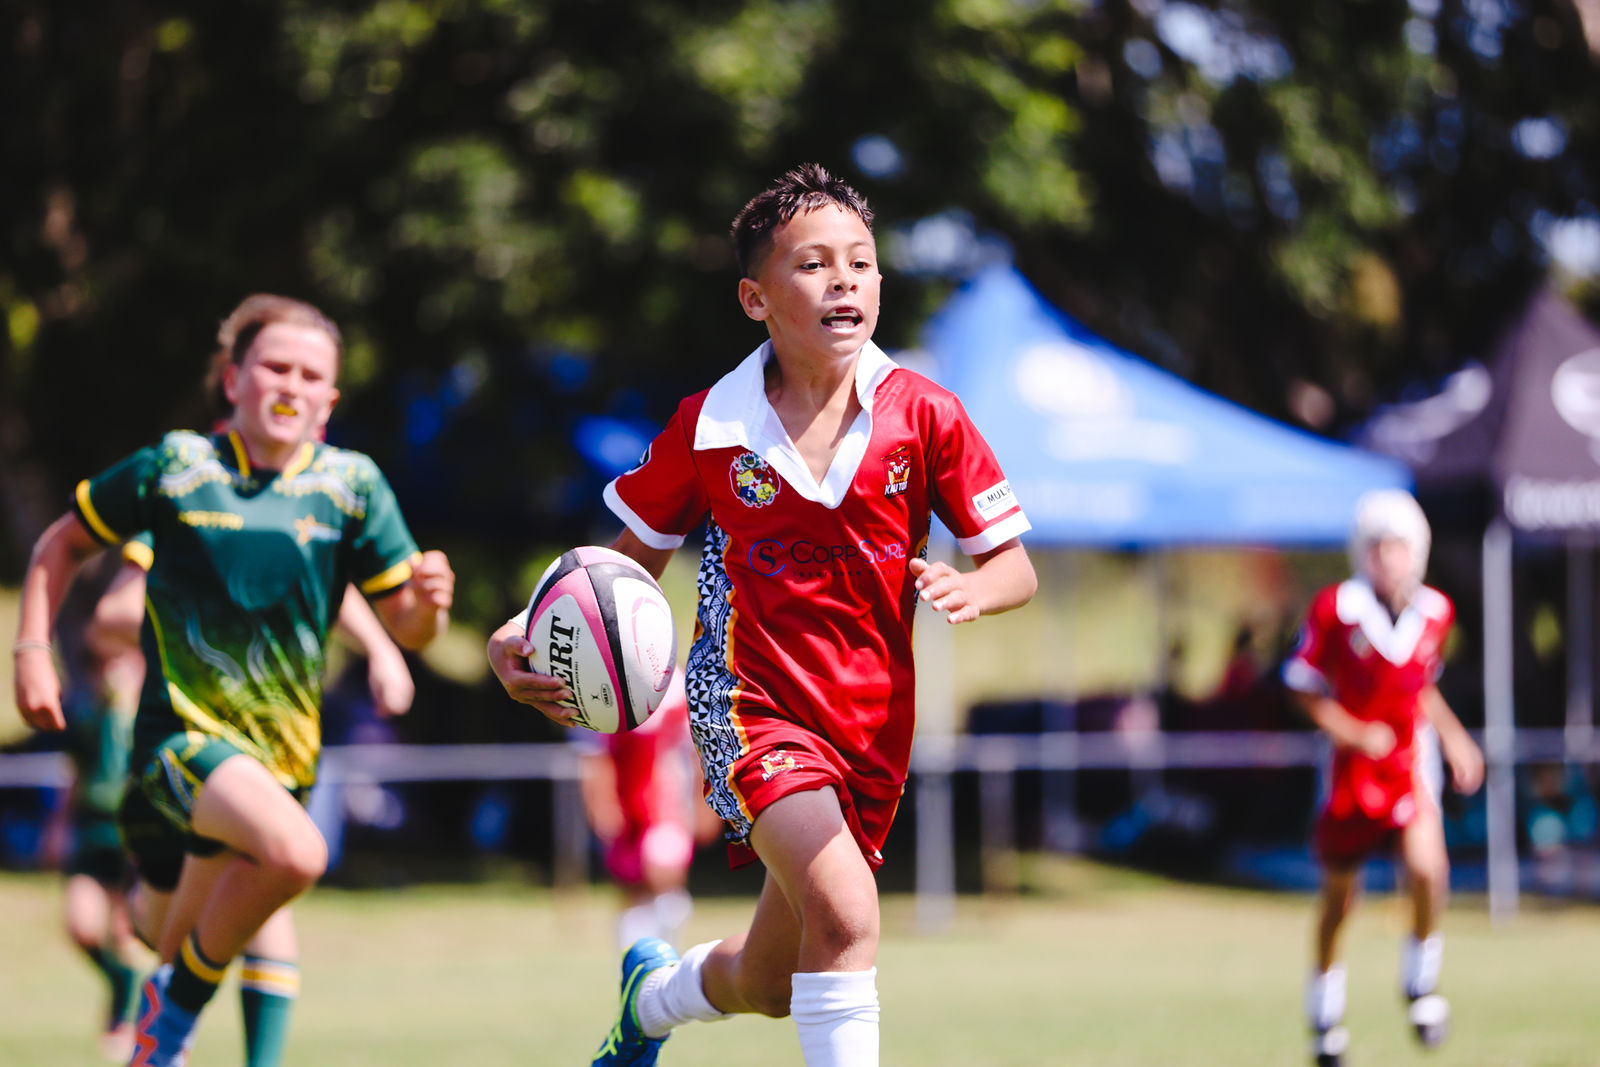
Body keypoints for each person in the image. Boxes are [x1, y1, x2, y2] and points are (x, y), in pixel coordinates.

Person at [489, 163, 1037, 1067]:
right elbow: (617, 572)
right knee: (850, 914)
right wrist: (522, 630)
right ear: (756, 298)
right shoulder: (711, 425)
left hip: (873, 725)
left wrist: (975, 588)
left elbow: (1010, 562)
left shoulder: (928, 415)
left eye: (860, 262)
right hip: (748, 705)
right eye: (814, 264)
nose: (844, 280)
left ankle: (651, 999)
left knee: (776, 982)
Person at [13, 293, 454, 1067]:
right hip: (181, 743)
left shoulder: (351, 487)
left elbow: (409, 628)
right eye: (273, 365)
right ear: (232, 379)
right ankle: (171, 1013)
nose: (291, 383)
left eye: (311, 373)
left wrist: (423, 611)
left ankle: (164, 996)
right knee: (298, 853)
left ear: (329, 400)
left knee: (166, 930)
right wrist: (31, 652)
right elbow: (61, 543)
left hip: (282, 756)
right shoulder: (178, 469)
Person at [1282, 489, 1484, 1067]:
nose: (1387, 558)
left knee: (1429, 869)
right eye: (1377, 547)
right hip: (1350, 772)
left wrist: (1454, 737)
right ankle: (1324, 1014)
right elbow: (1302, 686)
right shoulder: (1336, 609)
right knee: (1340, 899)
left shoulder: (1435, 612)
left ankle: (1421, 984)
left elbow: (1421, 686)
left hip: (1407, 765)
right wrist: (1349, 731)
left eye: (1396, 546)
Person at [44, 545, 149, 1061]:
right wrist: (58, 825)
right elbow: (76, 769)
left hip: (136, 828)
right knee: (81, 925)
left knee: (127, 931)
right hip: (91, 825)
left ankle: (125, 1026)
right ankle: (123, 990)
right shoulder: (84, 701)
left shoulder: (154, 699)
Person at [576, 669, 721, 953]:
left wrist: (705, 803)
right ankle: (634, 959)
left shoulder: (677, 688)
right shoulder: (600, 687)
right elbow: (593, 755)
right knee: (631, 884)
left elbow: (697, 753)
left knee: (663, 872)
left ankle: (663, 953)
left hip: (667, 807)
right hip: (627, 808)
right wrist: (602, 803)